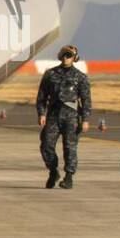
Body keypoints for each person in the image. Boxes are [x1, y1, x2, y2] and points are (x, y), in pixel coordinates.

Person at [37, 44, 91, 189]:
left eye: (69, 55)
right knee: (46, 145)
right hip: (54, 115)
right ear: (60, 56)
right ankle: (53, 172)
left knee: (70, 148)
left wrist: (85, 119)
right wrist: (41, 113)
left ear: (75, 58)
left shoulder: (81, 77)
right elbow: (42, 97)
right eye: (65, 55)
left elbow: (86, 100)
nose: (66, 58)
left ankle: (69, 177)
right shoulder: (50, 74)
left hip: (71, 116)